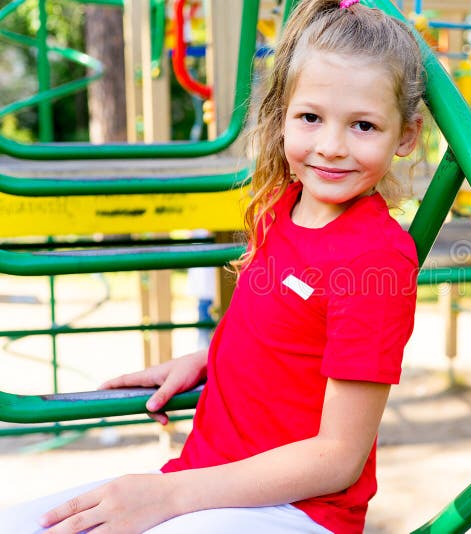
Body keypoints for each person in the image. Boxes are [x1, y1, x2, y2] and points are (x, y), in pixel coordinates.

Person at [0, 0, 424, 531]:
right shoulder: (284, 206)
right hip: (210, 480)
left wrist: (168, 494)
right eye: (311, 118)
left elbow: (337, 457)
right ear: (283, 114)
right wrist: (216, 357)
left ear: (406, 135)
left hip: (296, 510)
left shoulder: (375, 260)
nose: (331, 147)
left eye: (363, 125)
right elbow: (295, 326)